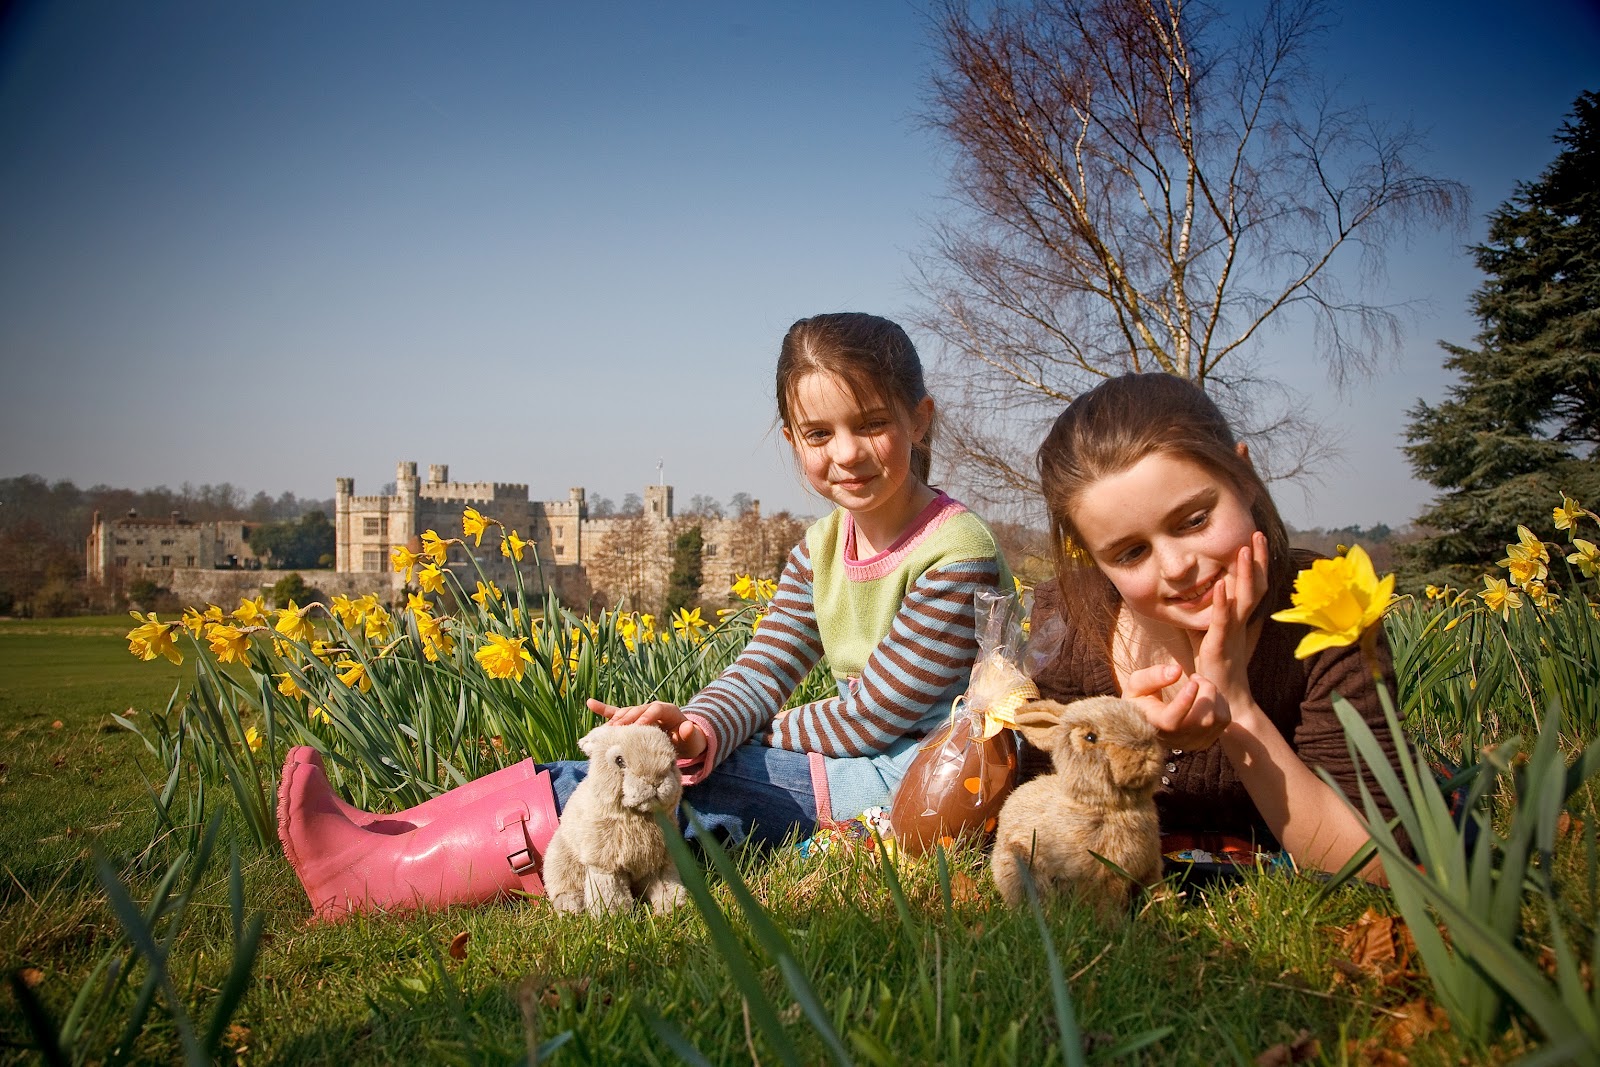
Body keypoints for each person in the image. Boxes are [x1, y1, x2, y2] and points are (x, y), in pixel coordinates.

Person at [277, 312, 1011, 918]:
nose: (846, 453)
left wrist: (709, 739)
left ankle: (376, 879)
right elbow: (760, 668)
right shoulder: (820, 547)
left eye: (872, 423)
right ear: (793, 440)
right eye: (819, 434)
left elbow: (870, 721)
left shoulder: (955, 550)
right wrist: (698, 723)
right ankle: (390, 834)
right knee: (609, 765)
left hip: (907, 789)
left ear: (919, 420)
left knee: (636, 790)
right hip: (838, 767)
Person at [1024, 372, 1403, 880]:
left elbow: (1376, 863)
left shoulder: (1330, 610)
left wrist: (1236, 705)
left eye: (1195, 520)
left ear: (1244, 478)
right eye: (1131, 552)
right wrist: (1129, 748)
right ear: (1092, 556)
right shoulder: (1066, 623)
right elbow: (1041, 826)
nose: (1177, 565)